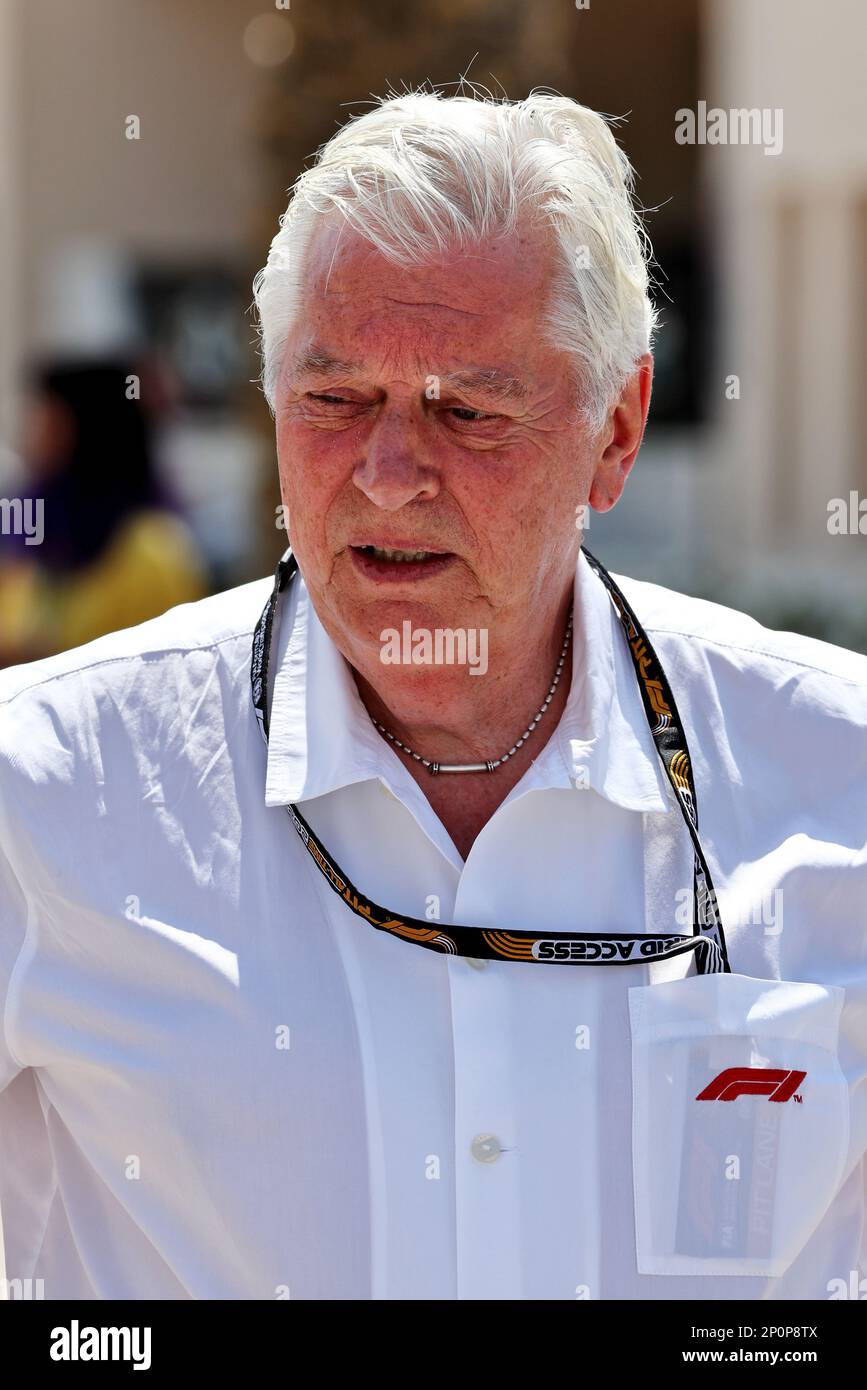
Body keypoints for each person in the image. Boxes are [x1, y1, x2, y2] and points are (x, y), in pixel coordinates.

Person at [0, 90, 865, 1301]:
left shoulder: (841, 773)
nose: (391, 476)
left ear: (615, 432)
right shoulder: (44, 788)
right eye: (335, 399)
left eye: (470, 411)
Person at [0, 358, 208, 666]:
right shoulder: (32, 525)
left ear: (89, 428)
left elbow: (162, 674)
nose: (35, 434)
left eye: (50, 419)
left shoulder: (156, 550)